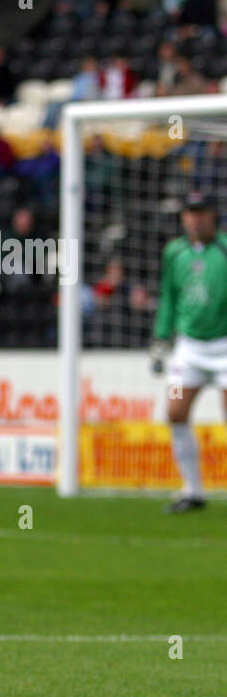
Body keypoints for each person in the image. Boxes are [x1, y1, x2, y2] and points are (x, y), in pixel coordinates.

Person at [152, 191, 227, 513]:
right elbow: (168, 296)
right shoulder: (175, 252)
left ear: (213, 216)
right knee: (175, 412)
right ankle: (193, 491)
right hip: (189, 349)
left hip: (225, 346)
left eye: (201, 212)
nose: (195, 219)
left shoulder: (224, 249)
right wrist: (160, 338)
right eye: (189, 213)